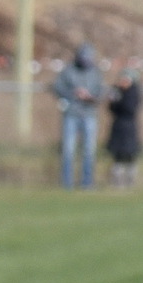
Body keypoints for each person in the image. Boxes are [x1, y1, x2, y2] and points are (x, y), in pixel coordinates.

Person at [53, 43, 106, 190]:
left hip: (89, 114)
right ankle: (67, 183)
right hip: (71, 114)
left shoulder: (95, 72)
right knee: (68, 149)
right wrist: (73, 93)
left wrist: (90, 96)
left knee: (89, 150)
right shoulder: (69, 70)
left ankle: (87, 182)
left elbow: (101, 92)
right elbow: (57, 86)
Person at [106, 70, 139, 189]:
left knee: (130, 154)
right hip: (118, 125)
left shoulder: (133, 92)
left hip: (129, 126)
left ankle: (130, 181)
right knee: (117, 154)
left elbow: (129, 108)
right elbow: (111, 108)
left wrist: (118, 100)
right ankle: (117, 182)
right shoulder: (116, 90)